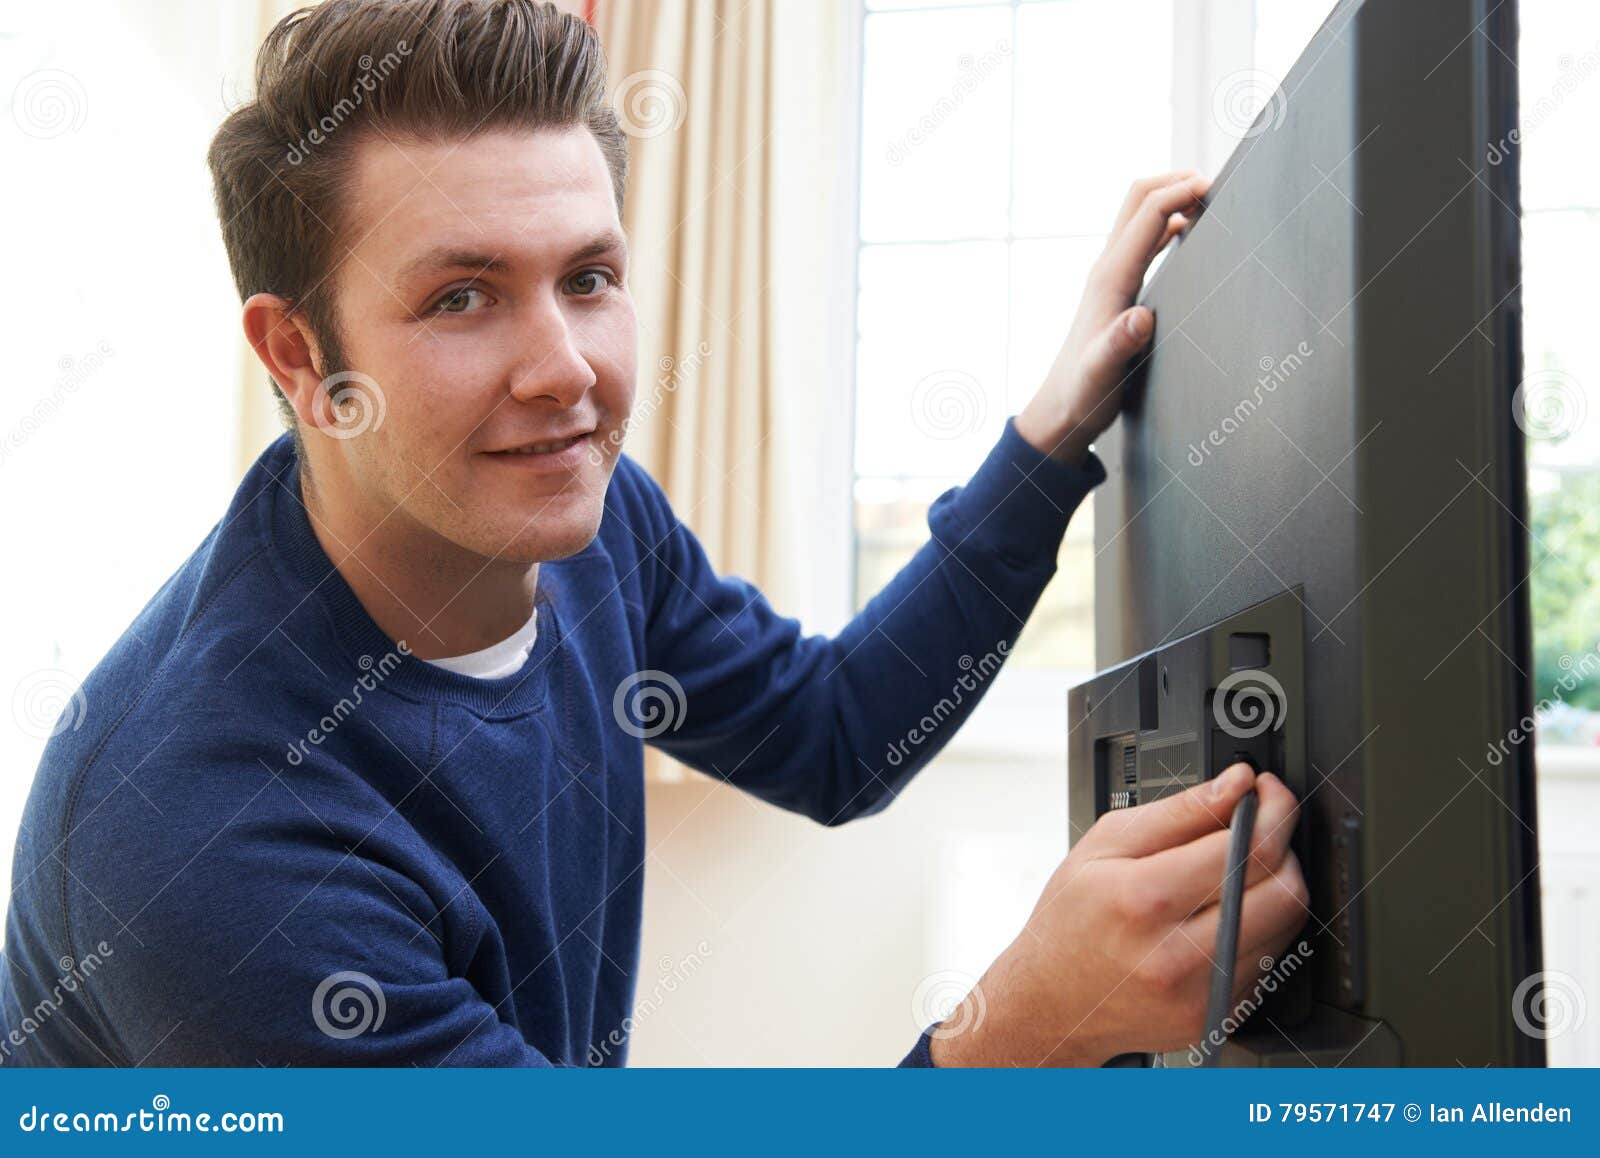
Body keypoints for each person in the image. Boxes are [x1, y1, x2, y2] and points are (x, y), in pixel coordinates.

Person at [0, 0, 1306, 1067]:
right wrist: (1027, 1031)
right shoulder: (212, 839)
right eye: (462, 297)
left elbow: (836, 734)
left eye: (588, 278)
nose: (566, 371)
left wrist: (1050, 436)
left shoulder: (582, 520)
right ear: (299, 358)